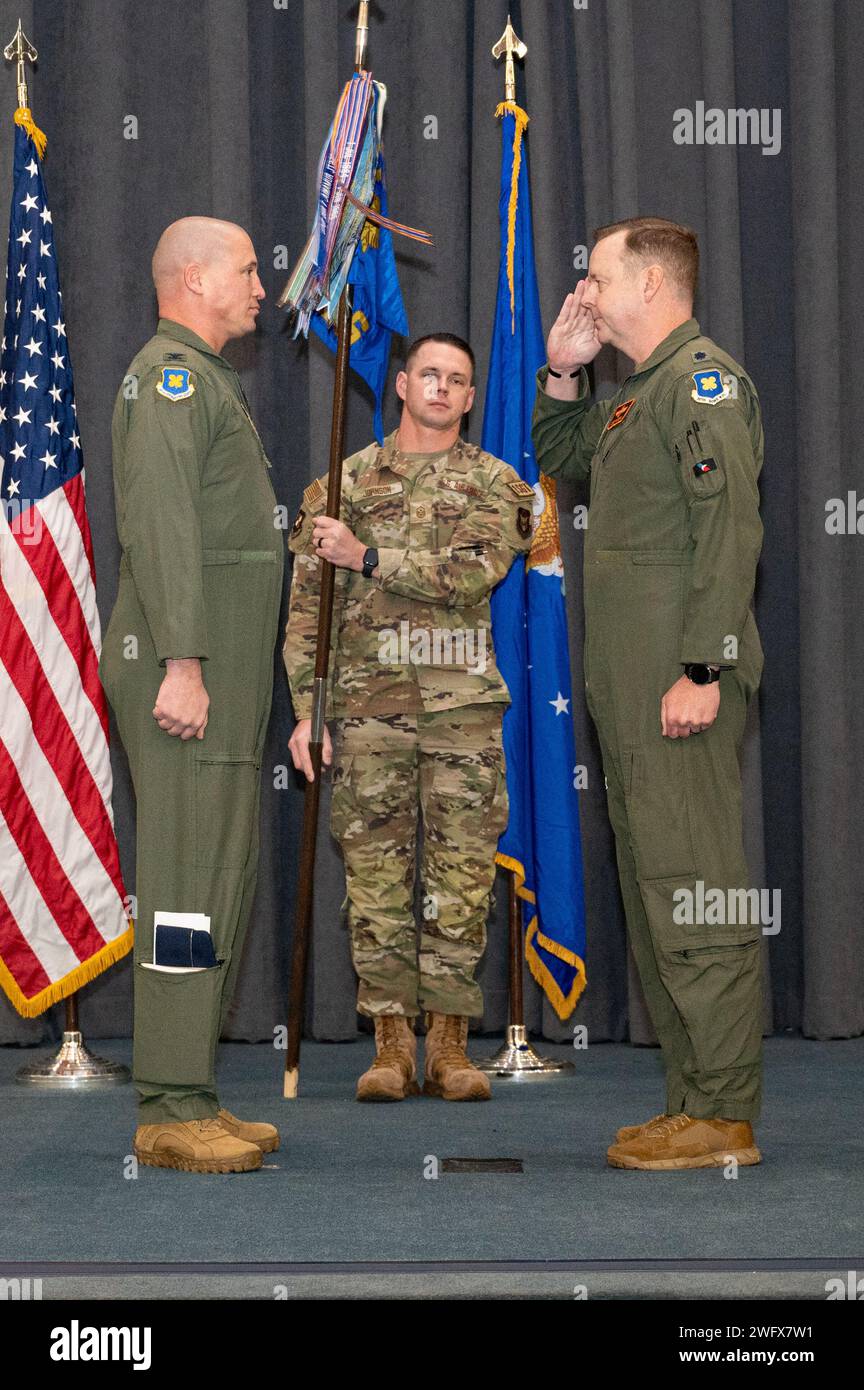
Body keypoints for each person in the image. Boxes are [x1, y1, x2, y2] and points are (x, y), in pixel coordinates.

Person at [533, 217, 765, 1171]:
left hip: (680, 684)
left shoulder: (703, 381)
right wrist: (562, 366)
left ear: (655, 284)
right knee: (657, 891)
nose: (585, 291)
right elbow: (561, 449)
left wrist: (704, 668)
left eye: (598, 277)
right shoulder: (639, 394)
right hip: (632, 691)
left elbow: (729, 529)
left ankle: (726, 1114)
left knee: (697, 889)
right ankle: (691, 1099)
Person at [284, 334, 533, 1102]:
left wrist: (367, 556)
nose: (442, 388)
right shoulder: (342, 484)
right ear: (400, 384)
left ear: (467, 399)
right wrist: (306, 710)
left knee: (460, 879)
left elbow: (468, 577)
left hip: (461, 714)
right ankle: (390, 1045)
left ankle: (451, 1046)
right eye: (430, 374)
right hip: (365, 710)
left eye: (458, 381)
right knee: (377, 881)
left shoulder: (500, 485)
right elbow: (305, 611)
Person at [100, 217, 284, 1174]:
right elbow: (162, 525)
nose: (263, 285)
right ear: (198, 277)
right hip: (186, 676)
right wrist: (181, 659)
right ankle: (168, 1102)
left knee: (216, 885)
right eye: (249, 270)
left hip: (220, 682)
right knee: (182, 889)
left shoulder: (207, 378)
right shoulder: (169, 377)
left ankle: (193, 1087)